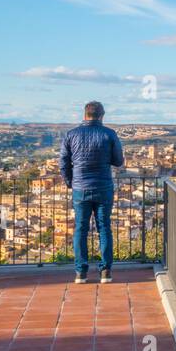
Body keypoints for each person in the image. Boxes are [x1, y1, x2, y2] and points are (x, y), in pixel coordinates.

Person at [61, 101, 124, 283]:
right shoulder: (109, 134)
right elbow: (118, 161)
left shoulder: (71, 134)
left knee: (80, 229)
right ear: (102, 116)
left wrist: (70, 183)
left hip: (80, 188)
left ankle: (81, 273)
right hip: (103, 186)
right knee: (104, 228)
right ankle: (106, 272)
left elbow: (63, 163)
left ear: (84, 114)